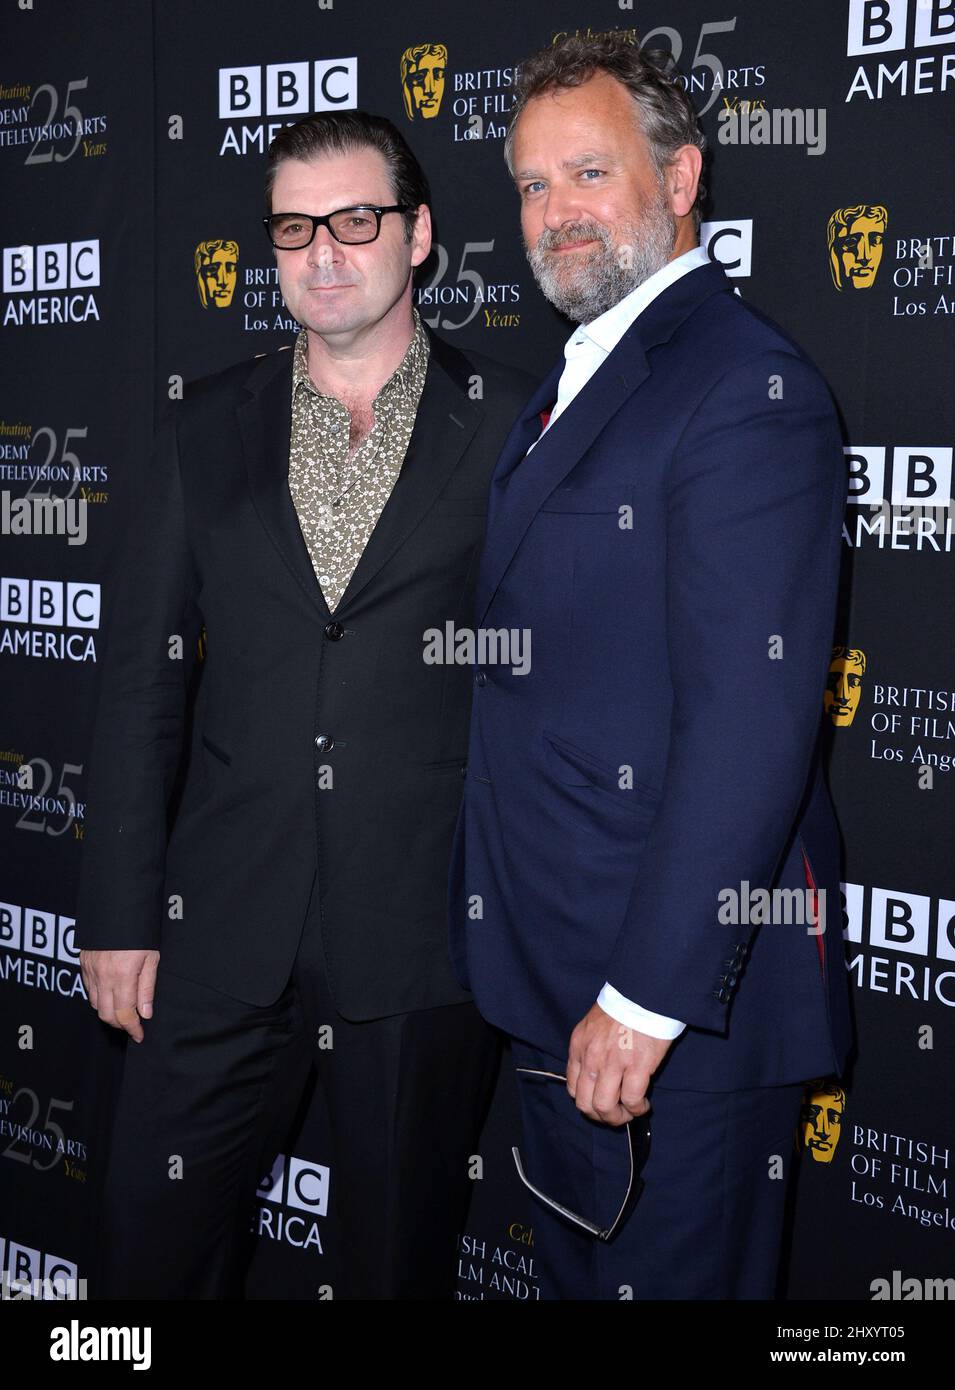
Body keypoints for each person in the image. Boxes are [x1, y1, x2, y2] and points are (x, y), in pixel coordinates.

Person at [75, 109, 534, 1300]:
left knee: (392, 1266)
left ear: (418, 235)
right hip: (219, 925)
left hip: (423, 936)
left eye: (354, 220)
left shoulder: (515, 425)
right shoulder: (200, 424)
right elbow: (139, 679)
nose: (322, 251)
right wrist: (120, 911)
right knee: (145, 1251)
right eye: (293, 228)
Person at [449, 34, 854, 1300]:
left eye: (586, 173)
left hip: (672, 1013)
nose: (551, 213)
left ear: (681, 180)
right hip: (561, 975)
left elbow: (754, 717)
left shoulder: (742, 388)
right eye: (527, 185)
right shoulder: (581, 374)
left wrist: (645, 996)